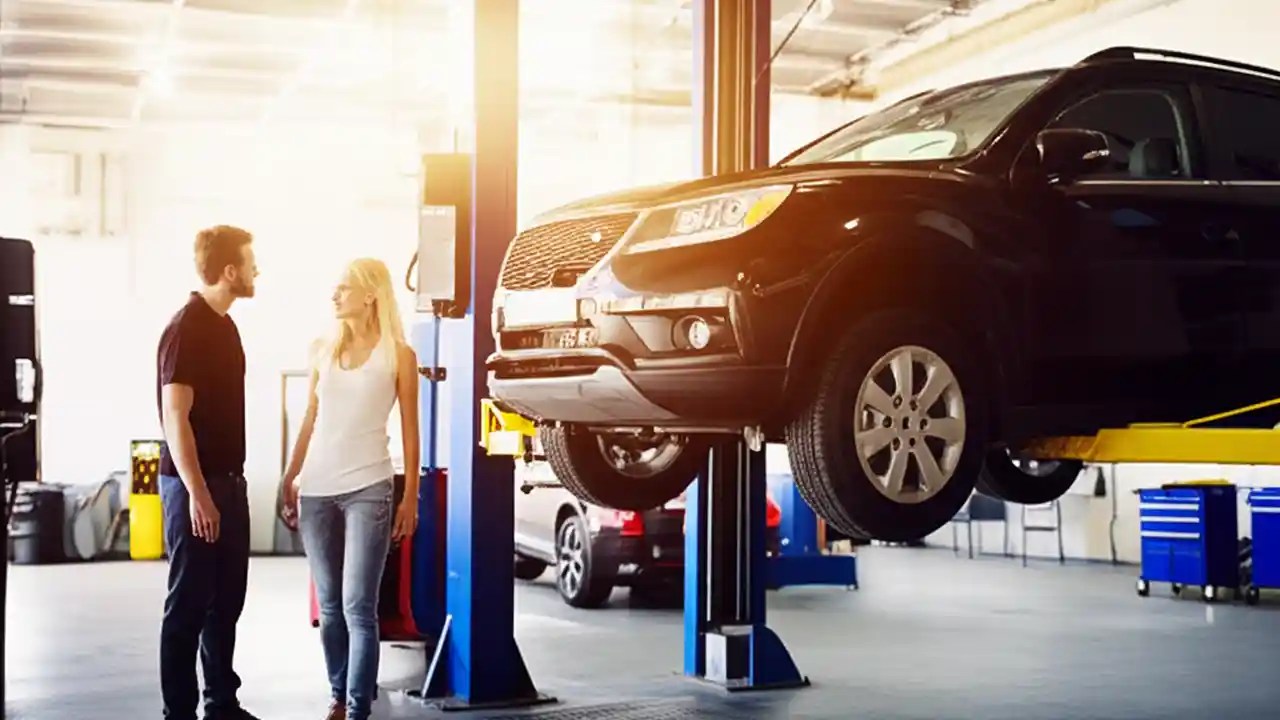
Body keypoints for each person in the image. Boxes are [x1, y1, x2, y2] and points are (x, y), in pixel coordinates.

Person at [279, 257, 420, 720]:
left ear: (369, 294)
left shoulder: (399, 355)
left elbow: (412, 432)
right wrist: (289, 474)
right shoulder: (321, 348)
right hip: (317, 488)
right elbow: (309, 418)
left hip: (369, 488)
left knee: (360, 605)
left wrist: (410, 496)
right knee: (332, 607)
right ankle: (338, 695)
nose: (334, 296)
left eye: (343, 288)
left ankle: (358, 709)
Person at [156, 224, 260, 720]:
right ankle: (179, 712)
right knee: (189, 604)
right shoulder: (186, 327)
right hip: (193, 485)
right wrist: (199, 494)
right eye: (251, 261)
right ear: (229, 270)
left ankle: (222, 703)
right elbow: (175, 417)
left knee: (227, 602)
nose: (257, 269)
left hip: (229, 482)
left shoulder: (227, 327)